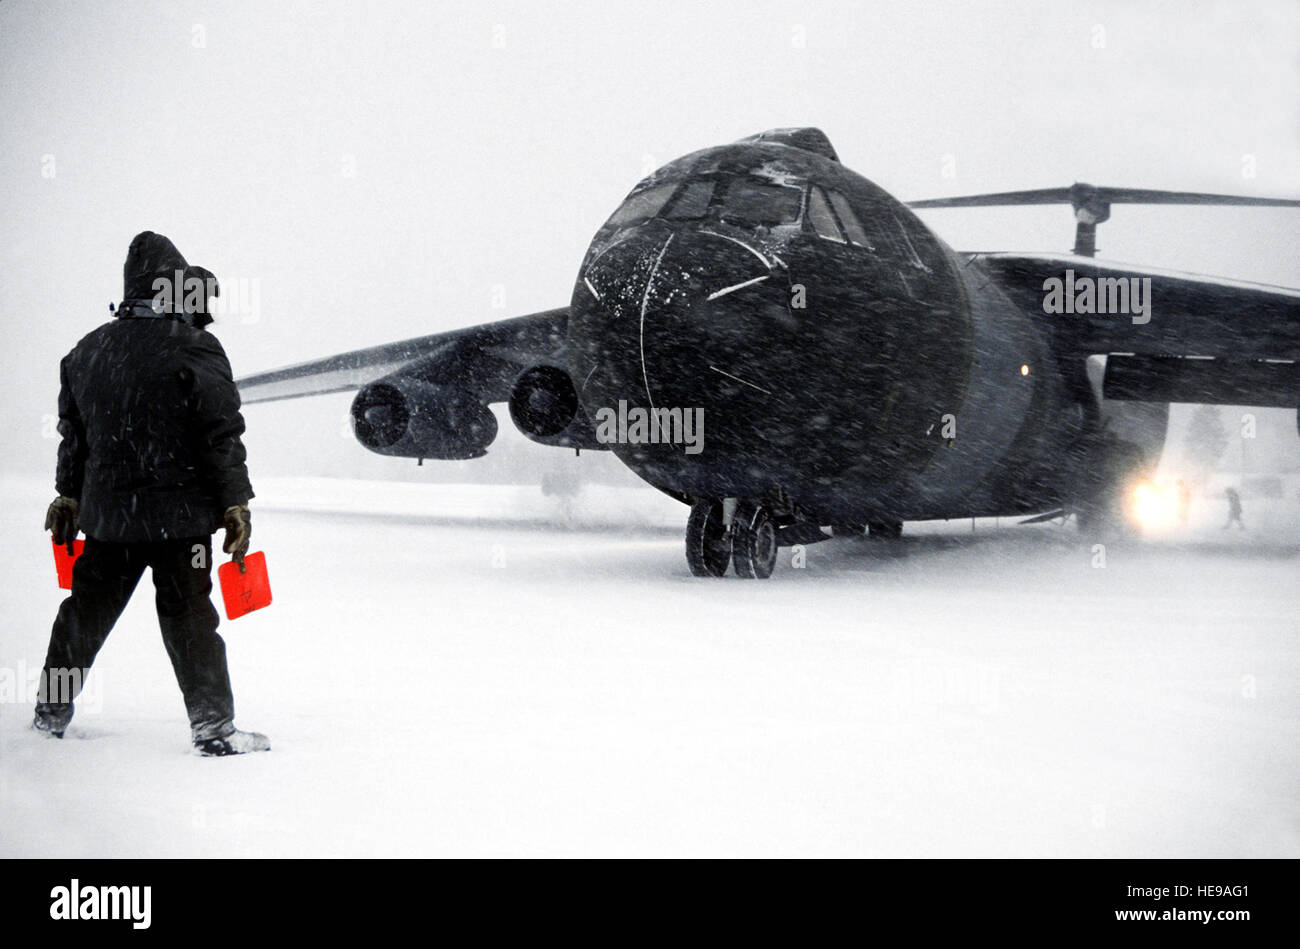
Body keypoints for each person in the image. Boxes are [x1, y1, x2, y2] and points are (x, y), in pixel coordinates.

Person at [35, 231, 269, 757]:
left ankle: (49, 712)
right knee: (190, 622)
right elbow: (220, 433)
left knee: (83, 617)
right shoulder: (195, 346)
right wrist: (236, 502)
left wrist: (68, 497)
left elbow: (74, 439)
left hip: (108, 521)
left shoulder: (85, 352)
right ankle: (213, 728)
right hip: (180, 522)